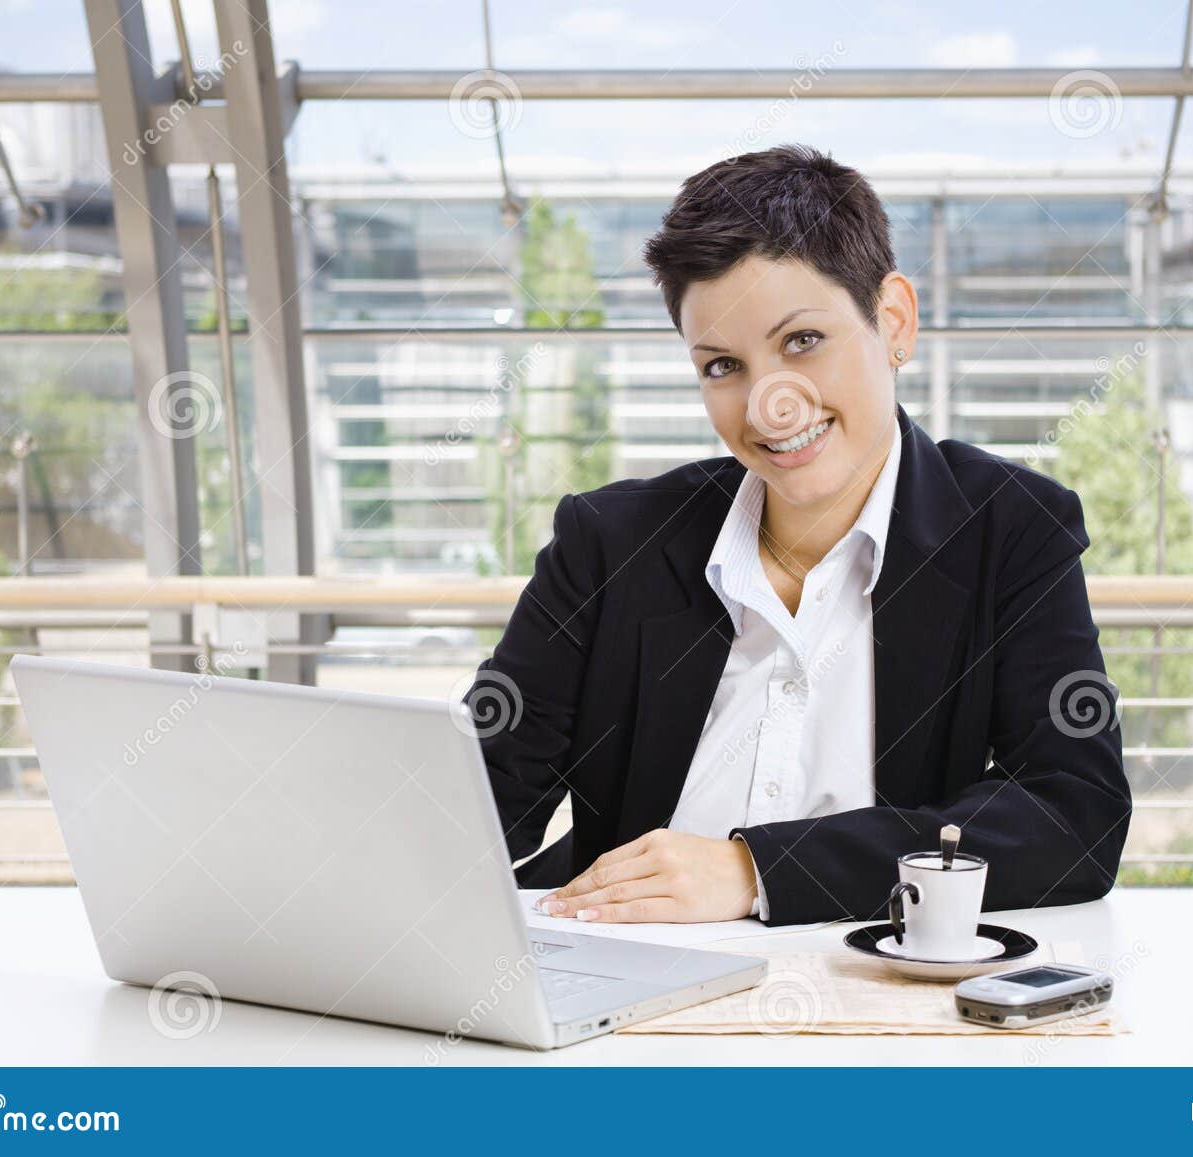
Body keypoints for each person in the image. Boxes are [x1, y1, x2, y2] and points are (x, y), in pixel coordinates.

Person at [464, 143, 1131, 926]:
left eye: (802, 342)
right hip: (621, 979)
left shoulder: (1009, 530)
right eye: (721, 366)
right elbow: (476, 797)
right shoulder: (609, 542)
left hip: (869, 983)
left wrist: (756, 869)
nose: (767, 404)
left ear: (893, 322)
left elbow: (1071, 816)